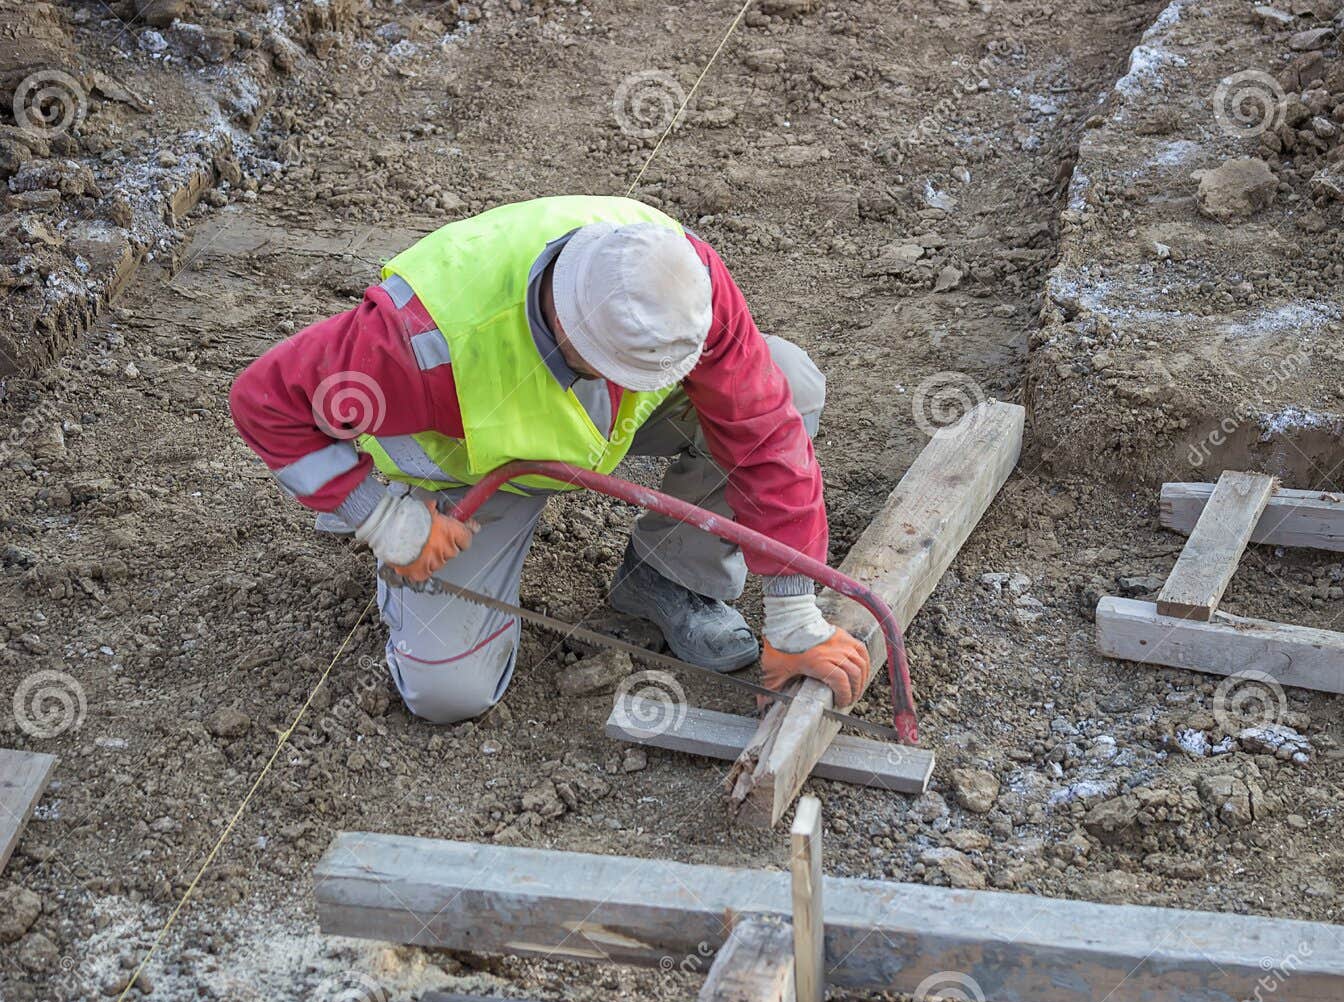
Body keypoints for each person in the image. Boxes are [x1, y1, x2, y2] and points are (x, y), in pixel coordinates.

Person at [229, 195, 870, 723]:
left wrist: (792, 615)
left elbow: (763, 433)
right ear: (572, 331)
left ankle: (671, 577)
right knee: (449, 696)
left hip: (586, 434)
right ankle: (405, 563)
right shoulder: (417, 341)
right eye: (626, 369)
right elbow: (265, 401)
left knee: (788, 380)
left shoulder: (679, 272)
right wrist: (381, 518)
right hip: (469, 472)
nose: (645, 381)